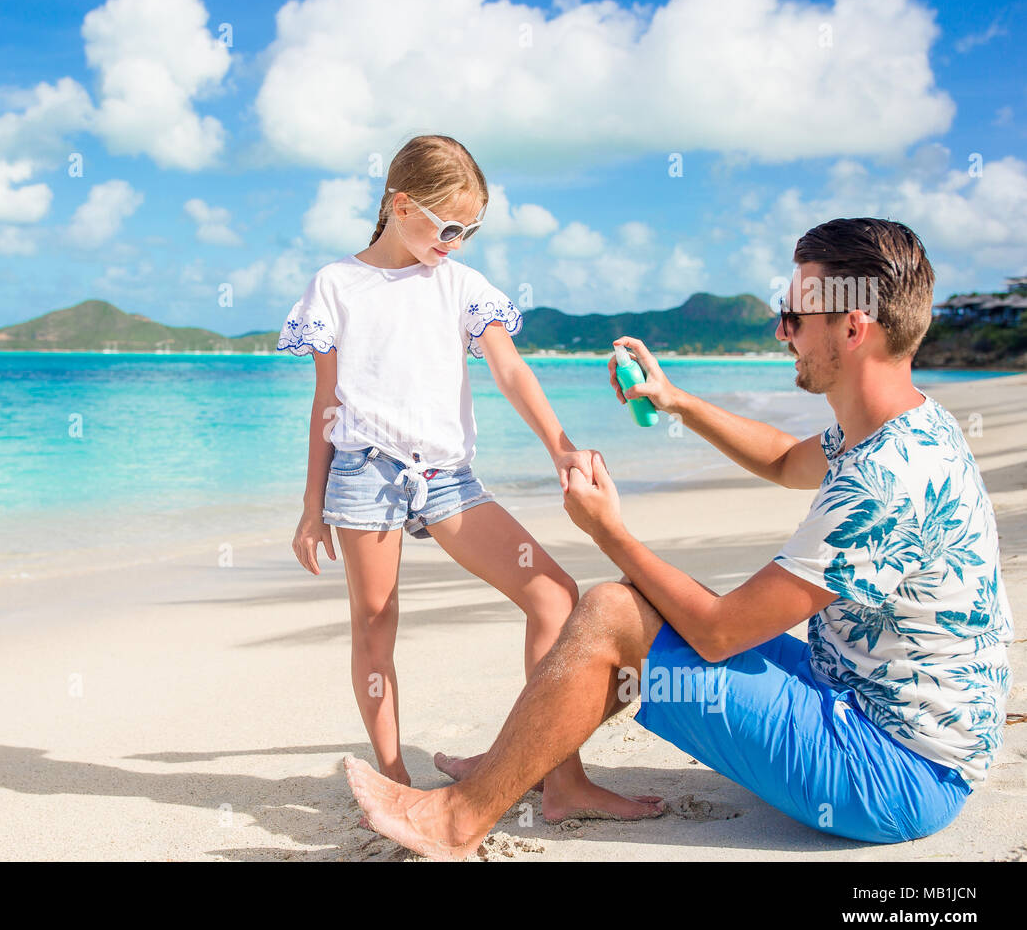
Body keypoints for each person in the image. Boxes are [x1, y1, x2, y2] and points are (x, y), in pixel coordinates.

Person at [345, 217, 1014, 858]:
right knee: (640, 605)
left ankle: (460, 820)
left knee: (614, 611)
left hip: (895, 774)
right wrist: (677, 401)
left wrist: (609, 530)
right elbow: (785, 460)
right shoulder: (902, 426)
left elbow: (720, 633)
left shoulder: (886, 481)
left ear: (853, 326)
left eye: (794, 317)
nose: (783, 333)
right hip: (873, 707)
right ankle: (540, 774)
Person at [281, 134, 662, 822]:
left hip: (447, 476)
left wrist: (562, 448)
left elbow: (511, 372)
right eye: (449, 226)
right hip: (365, 475)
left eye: (471, 229)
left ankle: (560, 780)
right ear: (402, 206)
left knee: (554, 595)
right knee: (375, 624)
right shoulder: (336, 286)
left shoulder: (460, 285)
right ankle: (396, 779)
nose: (457, 241)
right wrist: (312, 506)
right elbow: (327, 403)